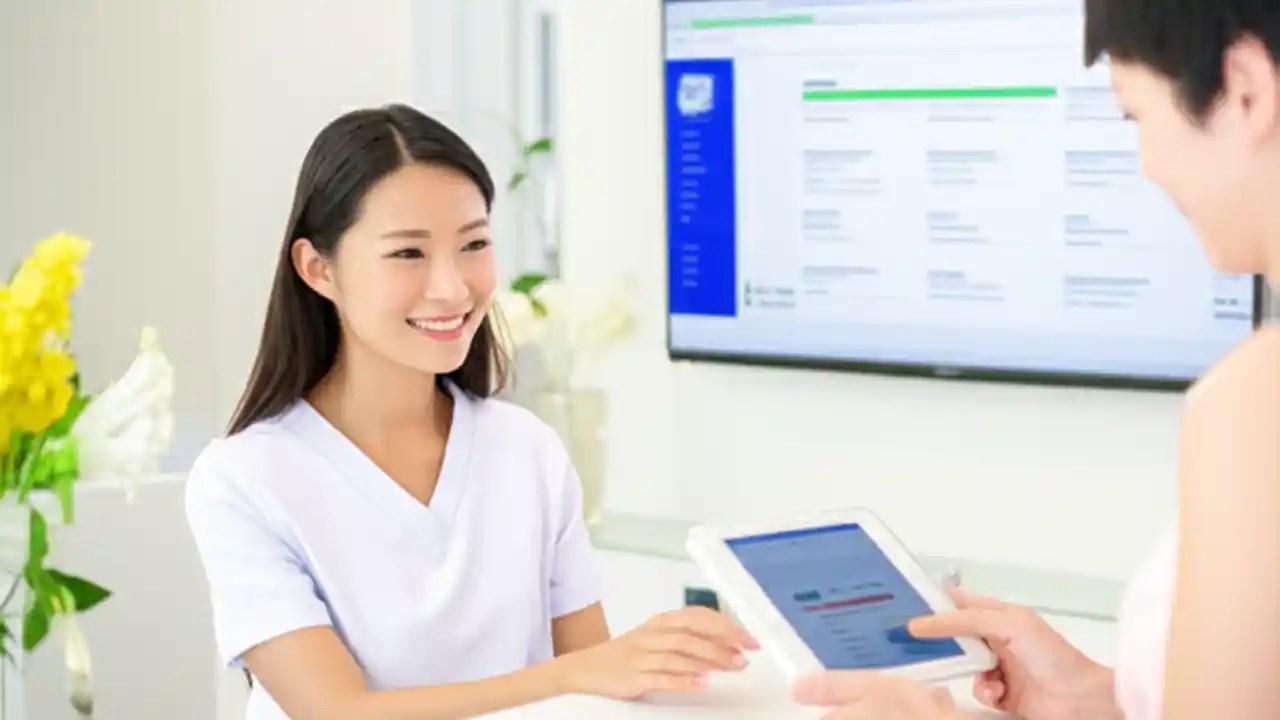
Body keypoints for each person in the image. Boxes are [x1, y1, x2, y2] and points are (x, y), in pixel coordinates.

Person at [184, 104, 757, 719]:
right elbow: (338, 712)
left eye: (474, 244)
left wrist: (667, 658)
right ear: (318, 269)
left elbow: (594, 695)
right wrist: (577, 673)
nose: (453, 288)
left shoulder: (526, 450)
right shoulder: (243, 479)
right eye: (408, 254)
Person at [791, 1, 1280, 718]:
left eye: (1135, 117)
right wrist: (1103, 698)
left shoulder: (1256, 403)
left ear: (1244, 90)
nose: (1146, 167)